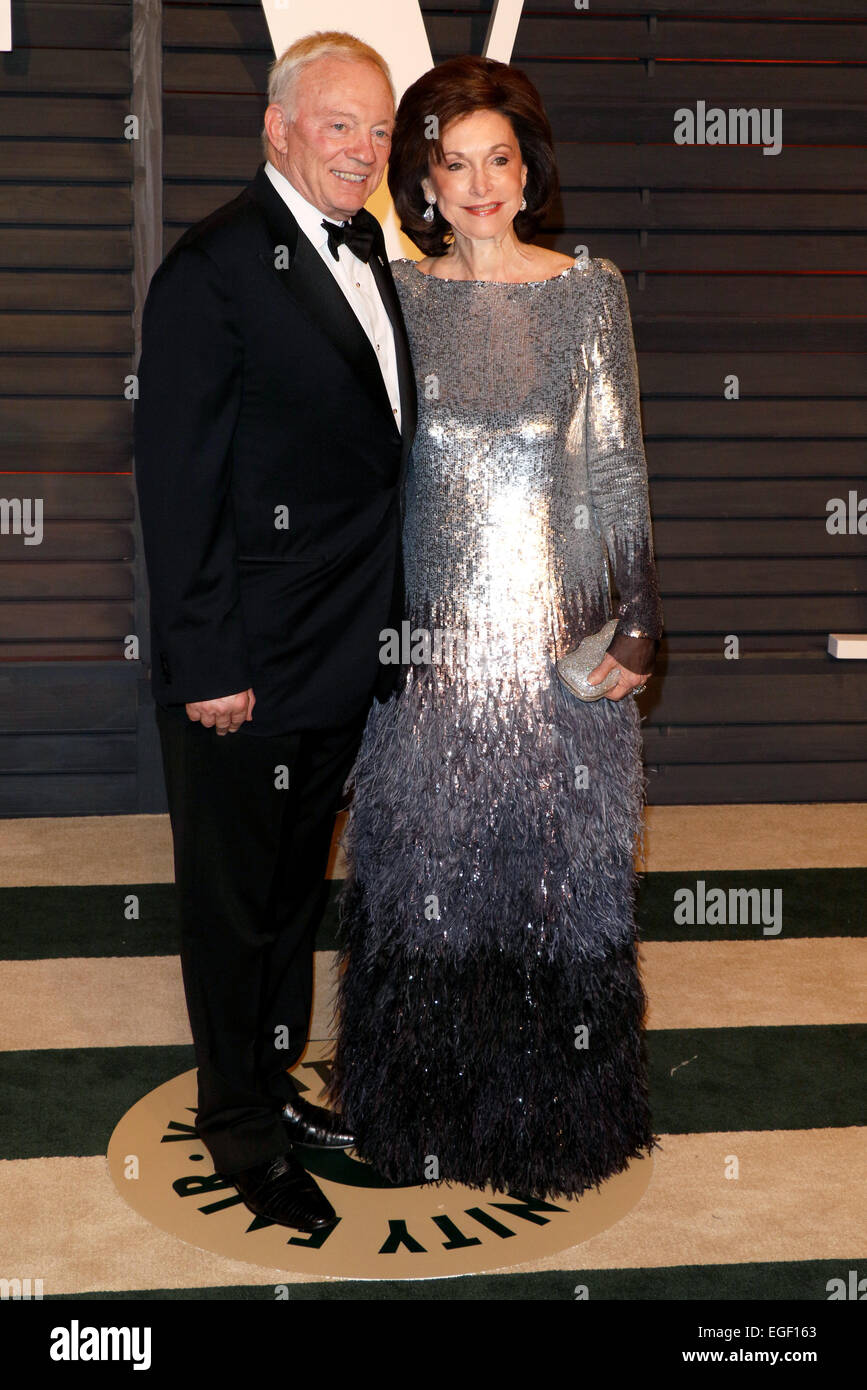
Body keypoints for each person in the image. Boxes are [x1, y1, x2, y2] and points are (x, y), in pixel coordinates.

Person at [327, 55, 664, 1198]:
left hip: (555, 656)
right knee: (427, 873)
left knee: (555, 881)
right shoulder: (400, 300)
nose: (479, 186)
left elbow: (616, 471)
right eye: (454, 164)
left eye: (499, 161)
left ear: (529, 171)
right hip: (430, 660)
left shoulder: (585, 292)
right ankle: (416, 1114)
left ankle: (551, 1130)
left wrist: (640, 626)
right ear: (423, 179)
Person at [134, 32, 416, 1232]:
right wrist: (209, 661)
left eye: (379, 130)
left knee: (296, 895)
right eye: (339, 124)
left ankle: (277, 1081)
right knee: (234, 903)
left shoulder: (373, 254)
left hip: (344, 652)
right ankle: (239, 1129)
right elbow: (176, 482)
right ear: (278, 127)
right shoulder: (212, 269)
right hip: (244, 666)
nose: (362, 149)